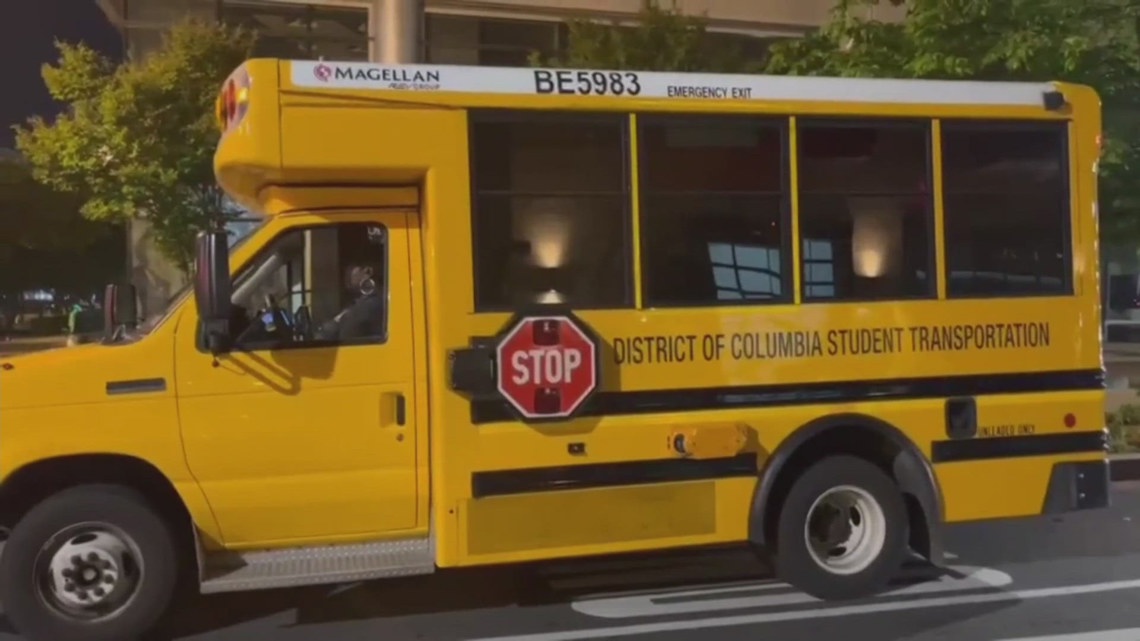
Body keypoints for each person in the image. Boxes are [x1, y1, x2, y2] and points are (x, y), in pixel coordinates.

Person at [313, 264, 385, 342]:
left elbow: (348, 329)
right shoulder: (356, 304)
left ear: (368, 272)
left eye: (354, 270)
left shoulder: (370, 304)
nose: (349, 276)